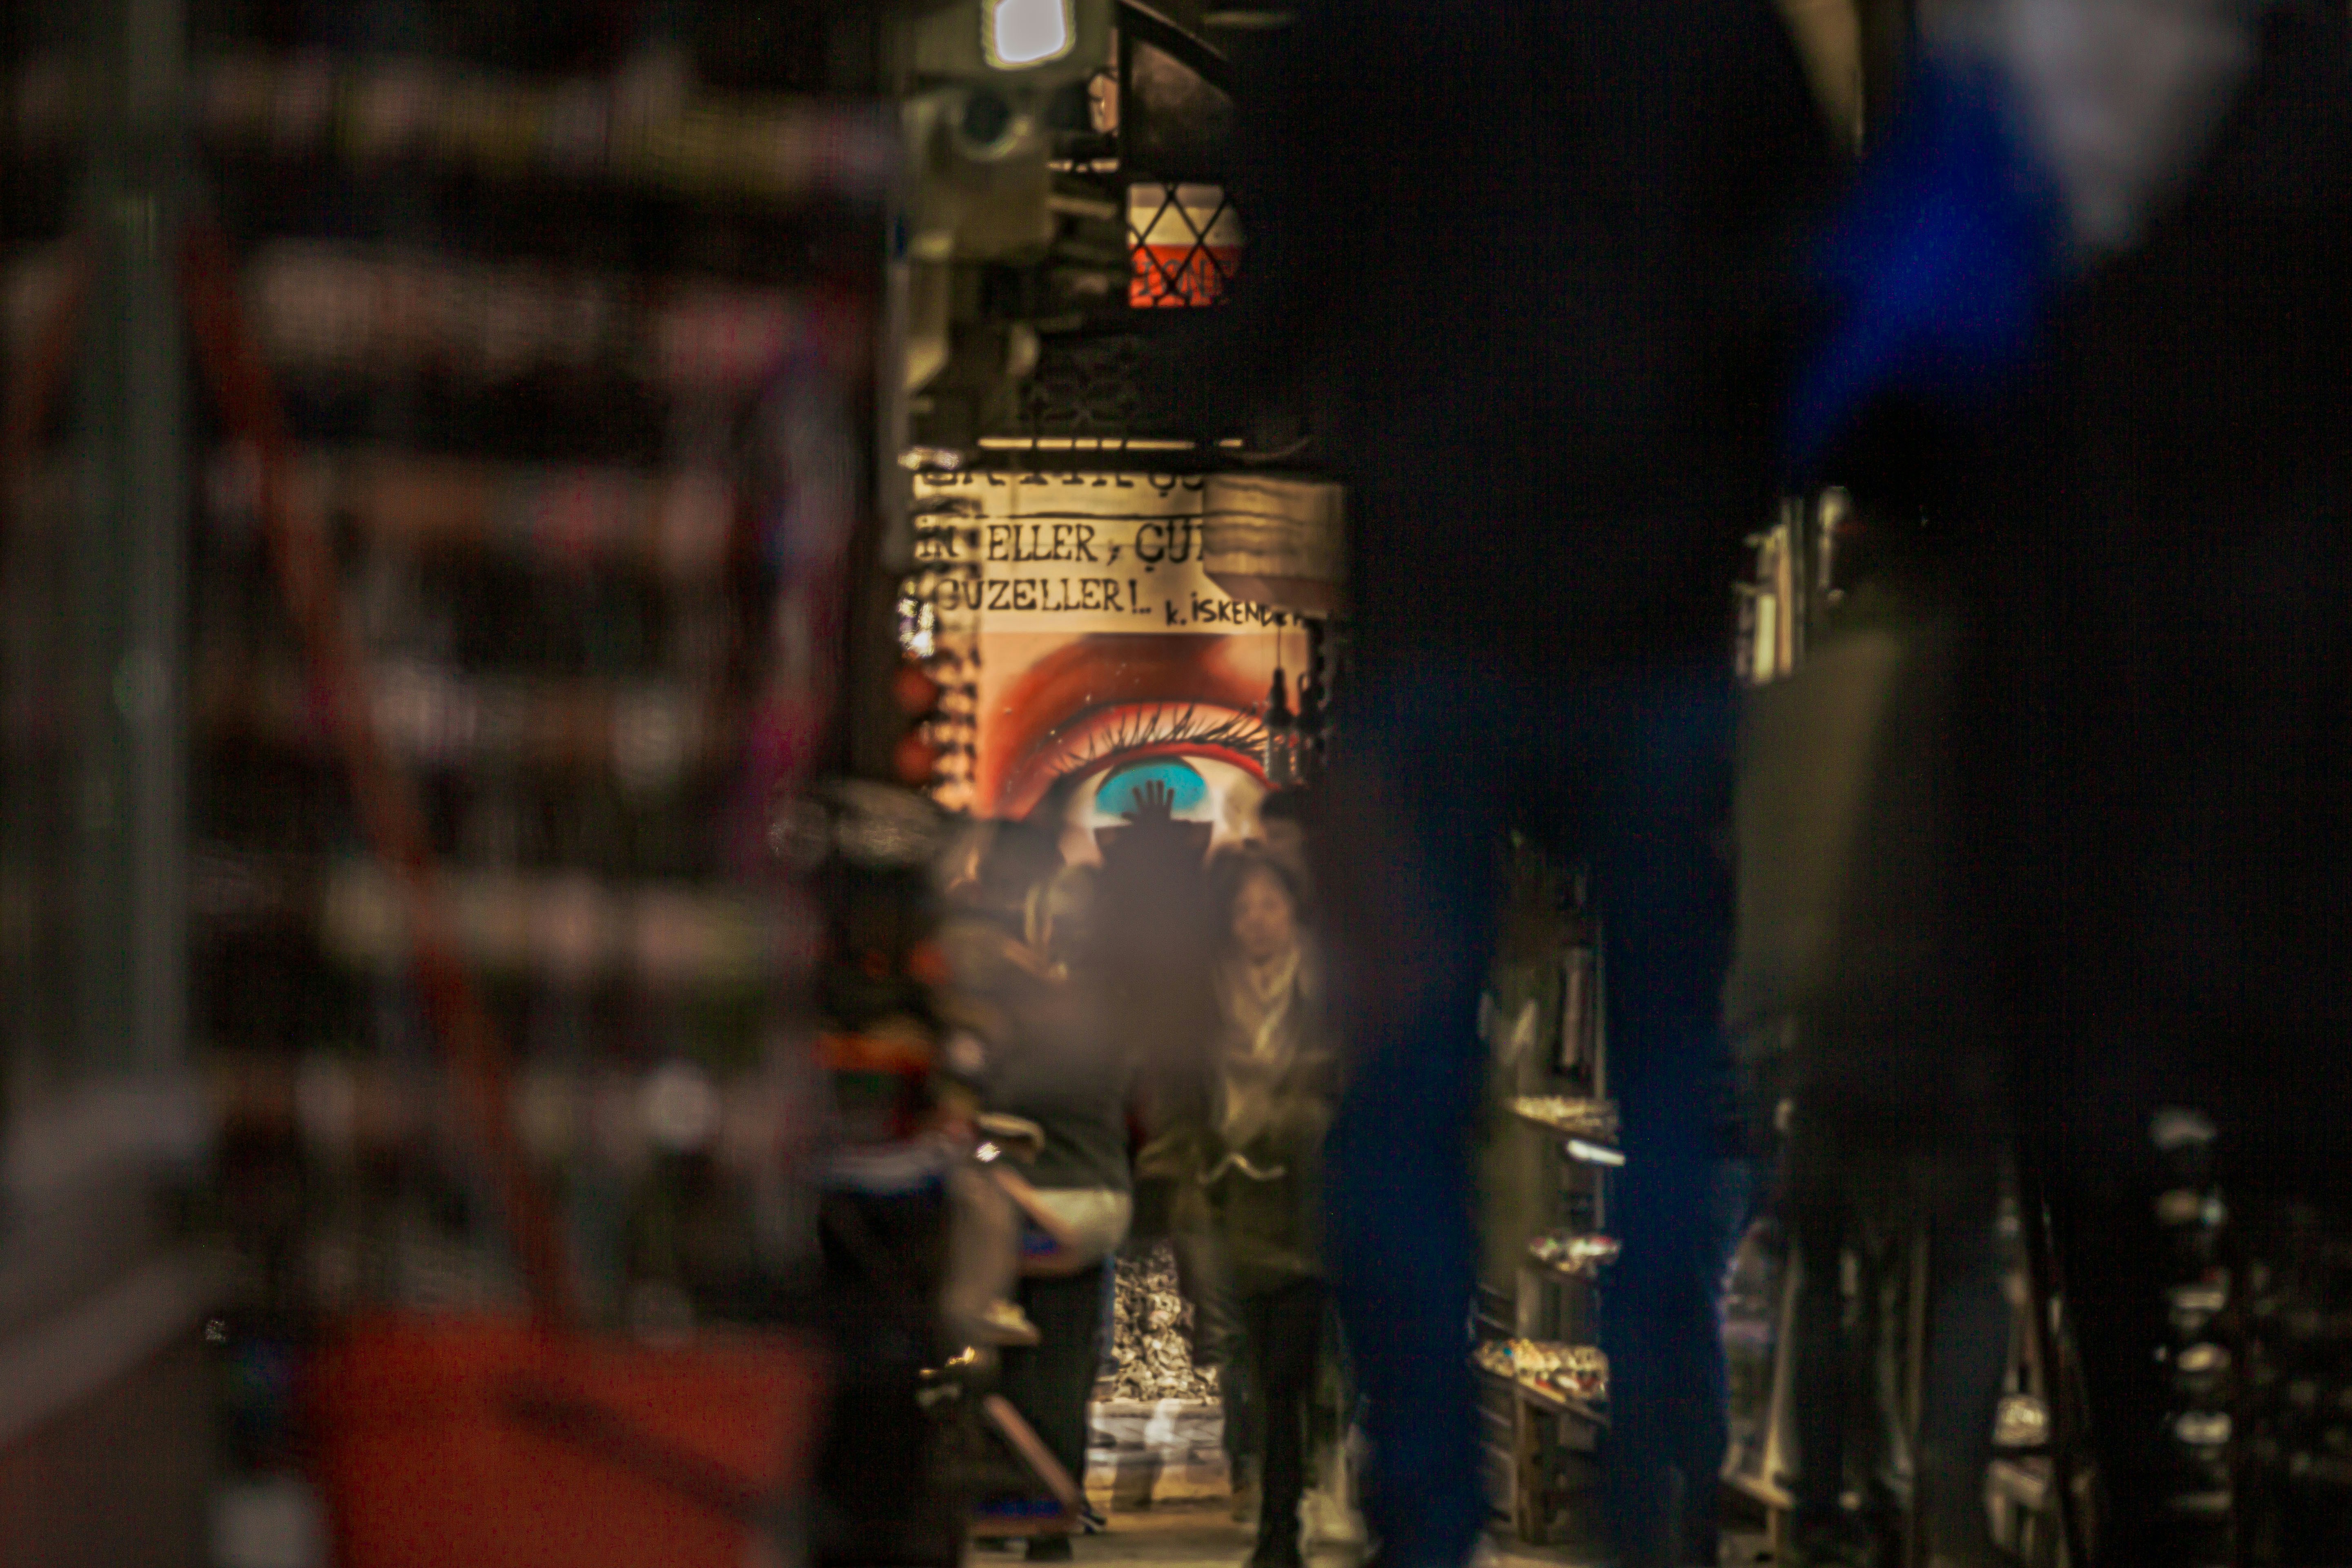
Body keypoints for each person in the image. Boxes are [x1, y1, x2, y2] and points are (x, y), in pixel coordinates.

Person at [1168, 7, 1834, 1564]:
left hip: (1439, 626)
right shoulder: (1721, 39)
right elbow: (1806, 285)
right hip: (1660, 627)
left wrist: (1209, 416)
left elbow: (1272, 288)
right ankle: (1653, 1492)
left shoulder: (1370, 42)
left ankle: (1427, 1518)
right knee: (1672, 1069)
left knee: (1402, 1090)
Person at [1794, 3, 2352, 1561]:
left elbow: (1873, 394)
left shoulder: (2012, 91)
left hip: (2092, 706)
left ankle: (2162, 1510)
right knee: (2271, 1169)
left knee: (2103, 1146)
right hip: (2262, 720)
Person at [943, 822, 1134, 1561]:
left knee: (1020, 1357)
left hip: (1048, 1199)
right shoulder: (1096, 994)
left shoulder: (1029, 1000)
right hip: (1086, 1197)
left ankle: (1025, 1510)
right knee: (1054, 1360)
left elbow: (1008, 1100)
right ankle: (1039, 1518)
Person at [1172, 850, 1336, 1568]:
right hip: (1236, 1206)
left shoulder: (1326, 994)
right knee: (1258, 1372)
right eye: (1244, 909)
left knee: (1290, 1377)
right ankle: (1279, 1508)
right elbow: (1184, 1097)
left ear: (1294, 911)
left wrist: (1296, 1111)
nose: (1257, 920)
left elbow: (1349, 1088)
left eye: (1270, 904)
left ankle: (1282, 1529)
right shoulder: (1207, 1001)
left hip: (1313, 1210)